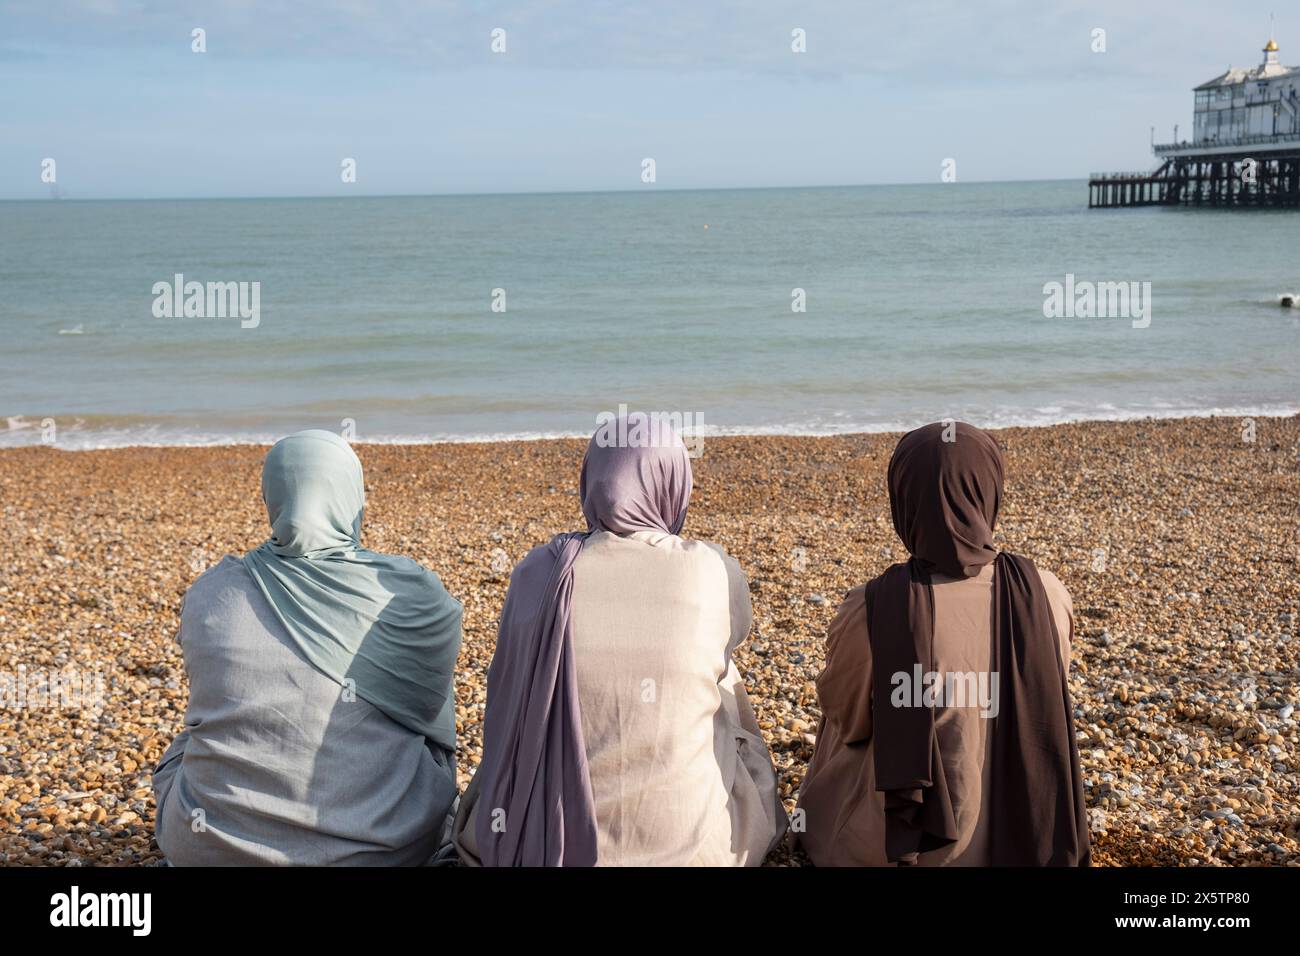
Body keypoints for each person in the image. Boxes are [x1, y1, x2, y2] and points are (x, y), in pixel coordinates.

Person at [453, 413, 787, 866]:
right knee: (723, 675)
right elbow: (736, 635)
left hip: (532, 844)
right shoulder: (710, 569)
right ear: (673, 482)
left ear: (591, 480)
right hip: (694, 853)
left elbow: (503, 693)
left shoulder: (537, 572)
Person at [152, 429, 462, 865]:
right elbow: (429, 714)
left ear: (271, 500)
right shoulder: (412, 593)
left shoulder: (212, 592)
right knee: (425, 747)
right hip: (382, 851)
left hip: (207, 850)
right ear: (353, 499)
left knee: (186, 740)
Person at [796, 421, 1090, 866]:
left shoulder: (872, 607)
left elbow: (848, 718)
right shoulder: (1047, 594)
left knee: (843, 729)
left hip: (896, 848)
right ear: (989, 493)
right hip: (1030, 838)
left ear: (904, 501)